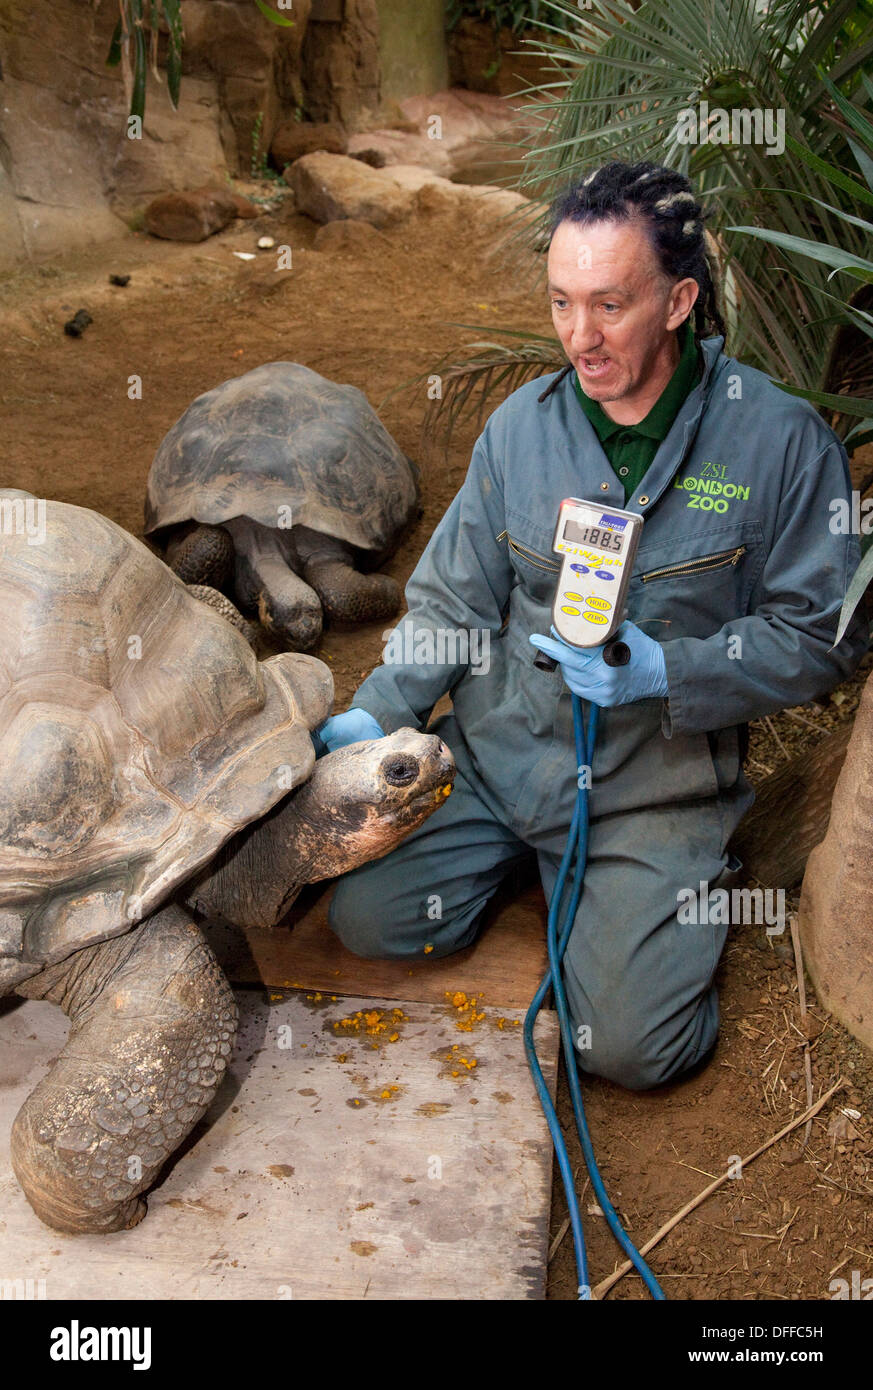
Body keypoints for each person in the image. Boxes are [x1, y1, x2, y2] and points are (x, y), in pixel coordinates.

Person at [313, 160, 866, 1090]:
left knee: (631, 1052)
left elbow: (827, 635)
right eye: (562, 303)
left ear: (681, 298)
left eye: (609, 305)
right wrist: (372, 718)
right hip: (496, 761)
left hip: (650, 791)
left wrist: (670, 672)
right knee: (369, 920)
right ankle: (546, 875)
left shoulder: (775, 443)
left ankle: (640, 899)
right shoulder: (519, 432)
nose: (580, 337)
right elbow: (451, 600)